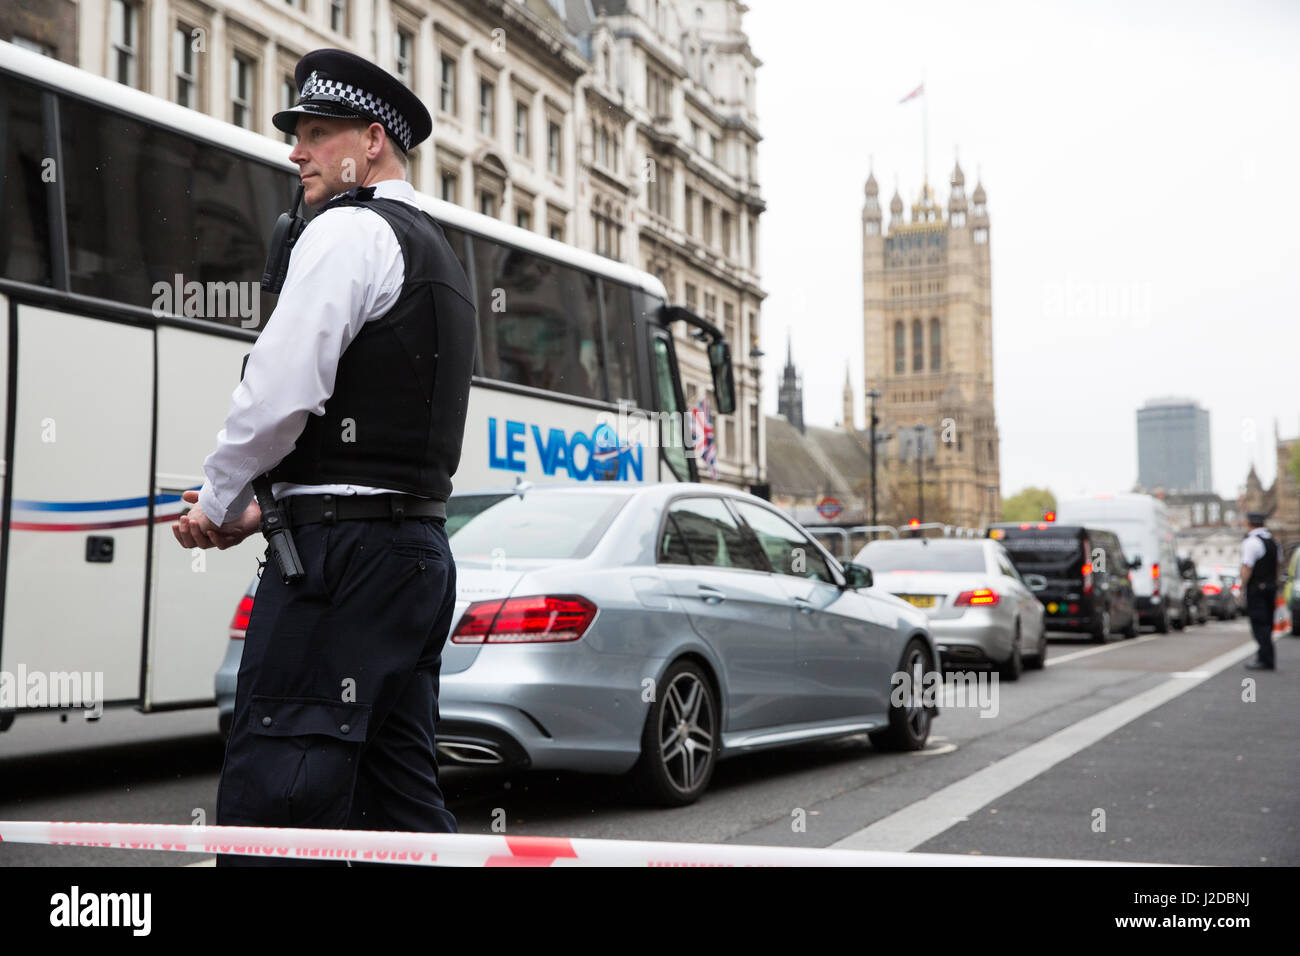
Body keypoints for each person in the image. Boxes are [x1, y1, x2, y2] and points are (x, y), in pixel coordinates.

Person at [171, 48, 477, 864]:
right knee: (399, 803)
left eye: (314, 133)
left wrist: (214, 495)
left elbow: (278, 392)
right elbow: (373, 443)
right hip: (413, 556)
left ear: (369, 141)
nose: (296, 152)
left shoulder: (347, 230)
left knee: (282, 789)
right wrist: (259, 511)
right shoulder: (437, 254)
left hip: (339, 567)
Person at [1239, 511, 1279, 671]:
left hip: (1257, 588)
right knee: (1268, 623)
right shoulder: (1272, 541)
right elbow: (1278, 565)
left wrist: (1242, 587)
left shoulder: (1251, 542)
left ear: (1250, 523)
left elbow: (1247, 566)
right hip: (1271, 587)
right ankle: (1266, 656)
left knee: (1259, 623)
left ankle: (1265, 658)